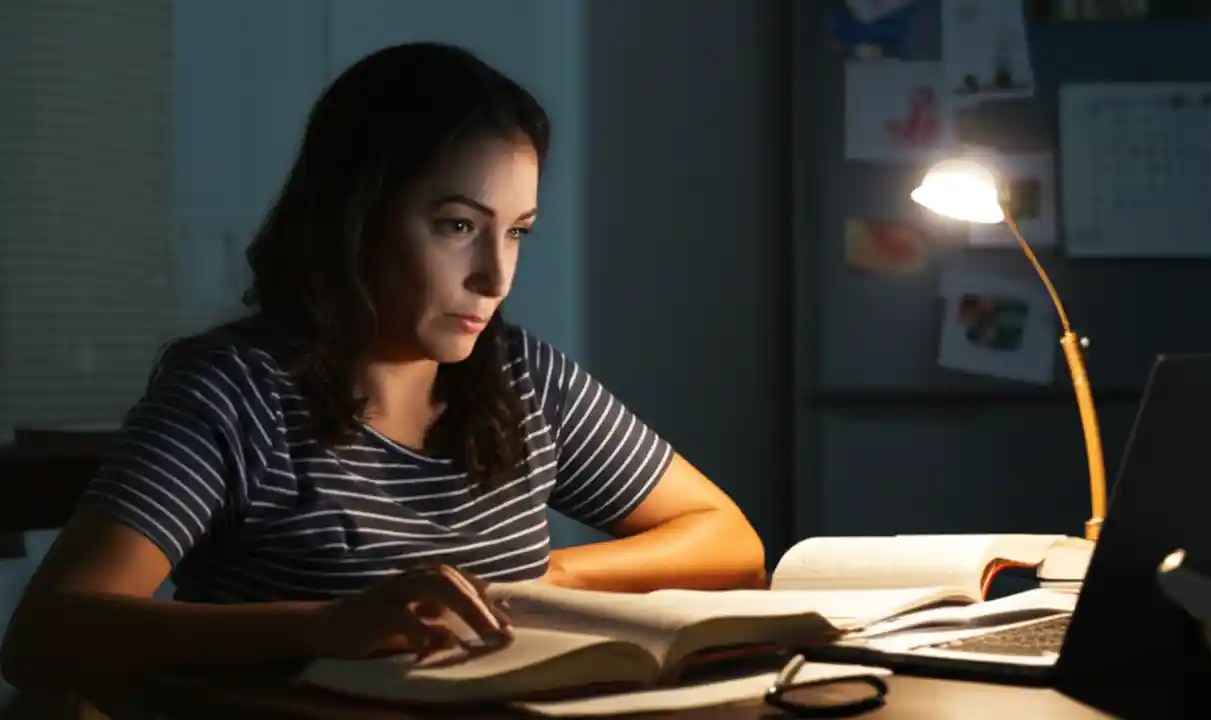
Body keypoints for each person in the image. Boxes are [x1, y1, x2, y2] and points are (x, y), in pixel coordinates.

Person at [1, 42, 765, 698]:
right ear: (355, 215)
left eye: (518, 232)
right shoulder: (233, 395)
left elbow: (726, 538)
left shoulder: (525, 378)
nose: (496, 277)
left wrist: (541, 583)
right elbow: (46, 634)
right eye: (458, 226)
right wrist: (331, 625)